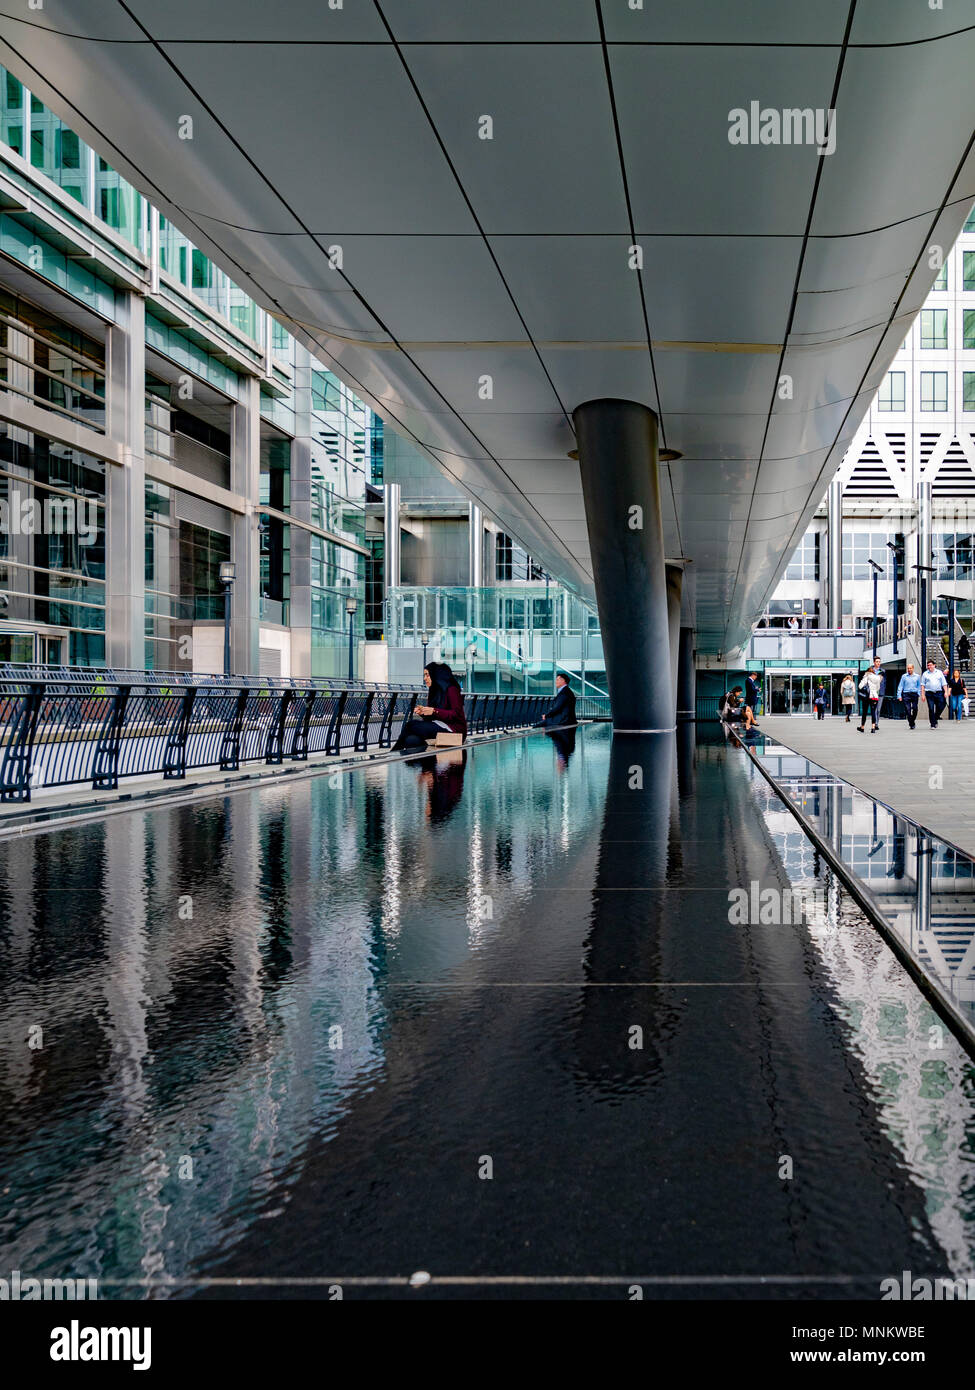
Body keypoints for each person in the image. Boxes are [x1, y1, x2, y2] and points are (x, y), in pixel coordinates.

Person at [394, 661, 467, 753]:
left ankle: (393, 753)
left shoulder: (451, 689)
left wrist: (434, 711)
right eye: (424, 675)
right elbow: (433, 716)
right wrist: (424, 713)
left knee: (411, 725)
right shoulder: (434, 691)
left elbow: (455, 714)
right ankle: (423, 763)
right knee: (411, 740)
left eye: (427, 675)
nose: (425, 678)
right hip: (438, 726)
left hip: (453, 730)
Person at [920, 659, 949, 729]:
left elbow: (944, 683)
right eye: (928, 665)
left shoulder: (939, 673)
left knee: (942, 705)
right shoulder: (925, 674)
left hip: (939, 693)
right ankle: (932, 724)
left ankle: (935, 717)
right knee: (931, 708)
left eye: (930, 665)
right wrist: (923, 695)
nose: (929, 667)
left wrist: (946, 692)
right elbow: (922, 685)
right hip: (929, 694)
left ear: (934, 665)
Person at [857, 658, 884, 733]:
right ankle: (873, 728)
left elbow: (860, 686)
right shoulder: (878, 678)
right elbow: (878, 688)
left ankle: (862, 727)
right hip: (874, 696)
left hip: (867, 697)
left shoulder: (867, 676)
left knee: (865, 712)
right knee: (873, 712)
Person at [896, 663, 920, 730]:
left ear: (913, 668)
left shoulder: (917, 676)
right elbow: (900, 686)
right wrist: (899, 695)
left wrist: (919, 693)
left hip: (914, 694)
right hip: (906, 694)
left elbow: (919, 686)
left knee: (915, 709)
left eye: (910, 668)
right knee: (907, 710)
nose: (909, 670)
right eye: (908, 668)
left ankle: (912, 720)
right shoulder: (904, 676)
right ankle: (911, 724)